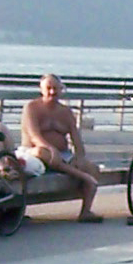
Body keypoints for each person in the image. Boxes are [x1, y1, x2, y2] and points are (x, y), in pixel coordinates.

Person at [21, 74, 109, 219]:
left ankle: (85, 211)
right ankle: (82, 176)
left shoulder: (66, 112)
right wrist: (51, 149)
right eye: (48, 88)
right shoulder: (32, 108)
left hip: (63, 155)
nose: (52, 92)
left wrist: (80, 157)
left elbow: (76, 140)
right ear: (41, 89)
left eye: (55, 88)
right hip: (35, 154)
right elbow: (34, 136)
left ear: (61, 90)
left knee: (92, 168)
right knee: (43, 152)